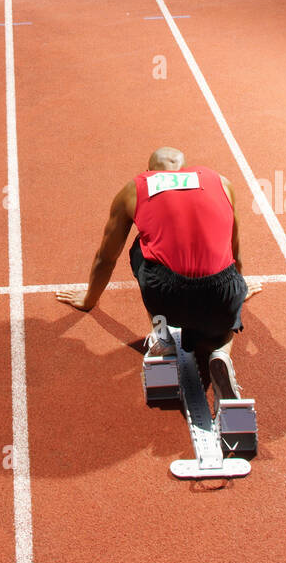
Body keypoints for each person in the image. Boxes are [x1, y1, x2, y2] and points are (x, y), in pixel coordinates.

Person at [57, 145, 261, 399]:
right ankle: (221, 356)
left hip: (167, 297)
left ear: (149, 171)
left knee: (139, 249)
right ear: (185, 168)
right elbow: (235, 251)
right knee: (221, 333)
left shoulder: (136, 187)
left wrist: (89, 300)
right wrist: (238, 291)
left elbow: (106, 258)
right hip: (221, 295)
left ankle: (163, 339)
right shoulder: (221, 182)